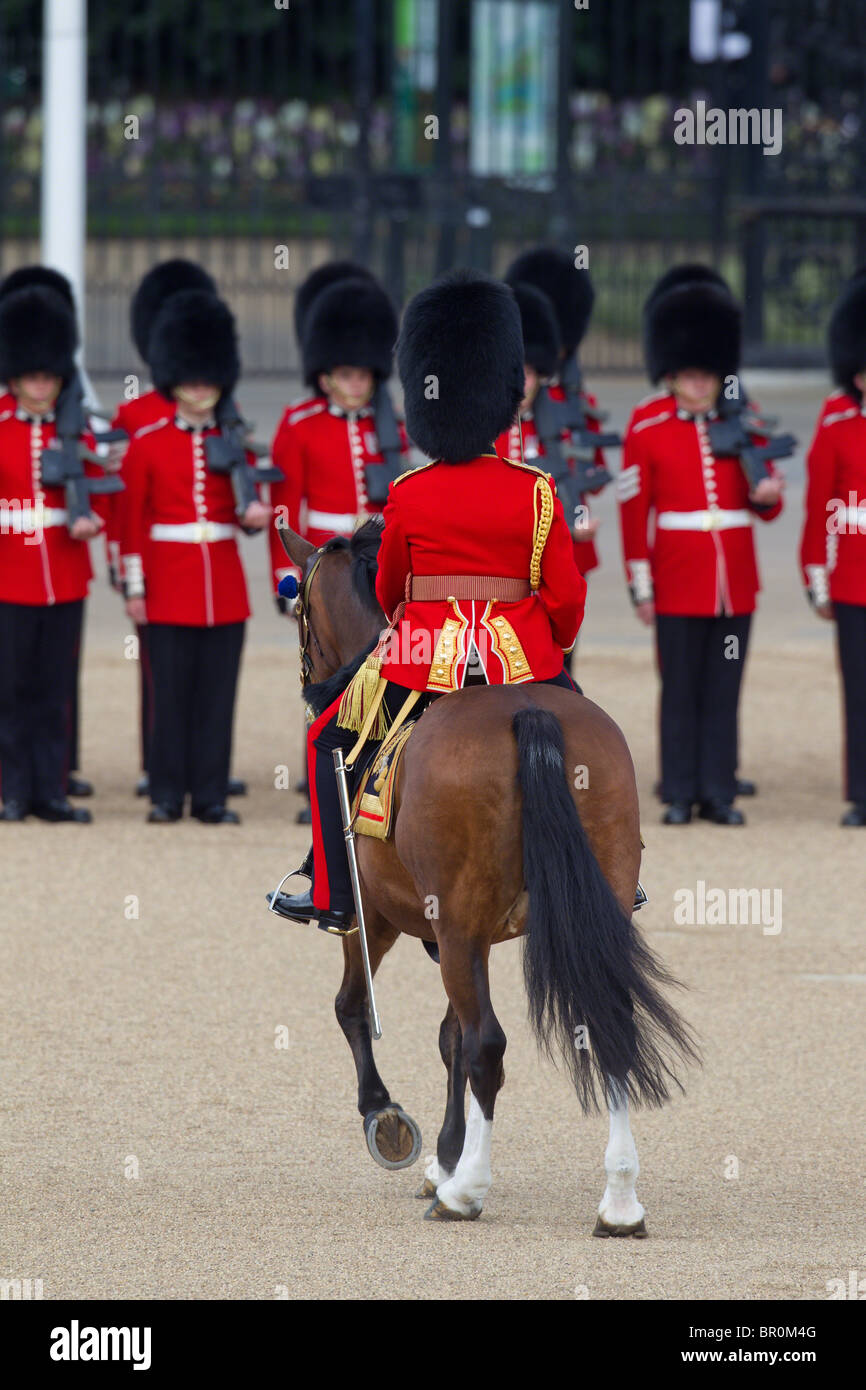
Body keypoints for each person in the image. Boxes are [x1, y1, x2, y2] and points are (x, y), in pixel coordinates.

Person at [270, 270, 585, 933]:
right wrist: (548, 640)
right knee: (588, 743)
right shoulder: (535, 489)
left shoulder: (409, 491)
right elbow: (566, 597)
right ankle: (612, 876)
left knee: (329, 738)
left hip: (421, 655)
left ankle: (333, 893)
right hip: (520, 654)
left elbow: (389, 591)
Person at [618, 279, 784, 825]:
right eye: (689, 374)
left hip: (733, 579)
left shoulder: (745, 421)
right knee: (681, 686)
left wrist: (768, 497)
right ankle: (679, 791)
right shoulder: (647, 426)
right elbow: (633, 511)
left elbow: (767, 503)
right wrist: (641, 585)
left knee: (723, 687)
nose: (698, 383)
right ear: (671, 373)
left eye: (707, 374)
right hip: (676, 577)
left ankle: (718, 791)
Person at [119, 289, 269, 824]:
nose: (201, 389)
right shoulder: (148, 444)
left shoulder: (237, 444)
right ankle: (165, 794)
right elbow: (131, 525)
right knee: (170, 697)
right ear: (173, 380)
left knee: (215, 698)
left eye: (208, 379)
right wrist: (135, 589)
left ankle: (209, 796)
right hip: (166, 584)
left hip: (223, 587)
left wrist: (254, 519)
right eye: (191, 379)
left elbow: (245, 513)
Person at [0, 285, 104, 822]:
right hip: (10, 579)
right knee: (11, 688)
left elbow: (101, 484)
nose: (41, 386)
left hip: (64, 576)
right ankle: (13, 789)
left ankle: (51, 789)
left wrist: (89, 519)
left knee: (56, 687)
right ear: (15, 376)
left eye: (49, 376)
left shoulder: (76, 430)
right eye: (32, 376)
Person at [800, 276, 866, 825]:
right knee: (859, 689)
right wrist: (817, 577)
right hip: (854, 581)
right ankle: (862, 794)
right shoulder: (839, 423)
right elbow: (821, 503)